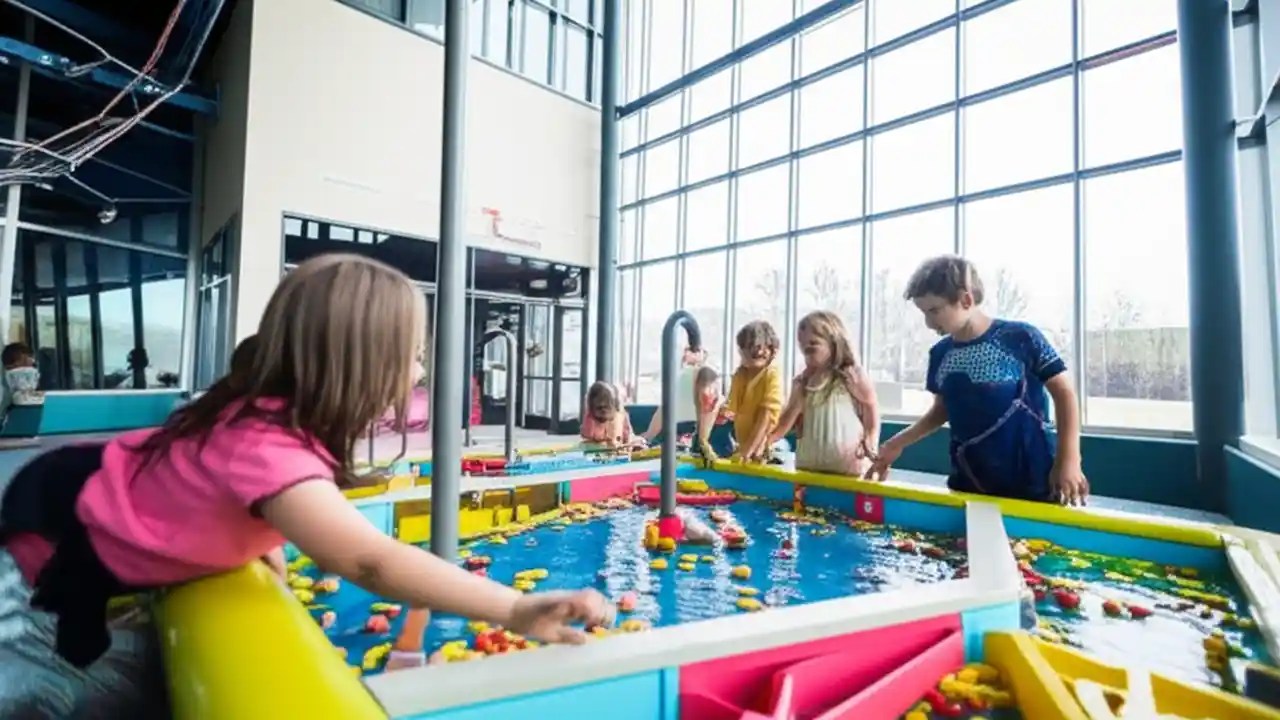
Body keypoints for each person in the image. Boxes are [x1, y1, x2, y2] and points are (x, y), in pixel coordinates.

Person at [0, 254, 615, 717]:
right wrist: (513, 607)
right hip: (36, 576)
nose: (420, 371)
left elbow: (217, 498)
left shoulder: (261, 415)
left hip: (59, 514)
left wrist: (257, 544)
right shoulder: (269, 446)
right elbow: (370, 560)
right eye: (414, 355)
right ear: (358, 361)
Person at [866, 255, 1088, 506]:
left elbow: (1065, 394)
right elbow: (942, 411)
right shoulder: (940, 354)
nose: (928, 322)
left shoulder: (1021, 338)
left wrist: (1069, 460)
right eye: (923, 313)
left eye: (934, 310)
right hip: (970, 481)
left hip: (1031, 481)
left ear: (966, 300)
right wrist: (896, 444)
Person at [768, 311, 879, 477]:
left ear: (834, 342)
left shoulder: (851, 376)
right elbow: (786, 421)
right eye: (803, 345)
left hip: (849, 465)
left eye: (813, 343)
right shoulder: (802, 383)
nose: (807, 348)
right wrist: (765, 443)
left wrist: (870, 440)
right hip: (809, 465)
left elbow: (870, 407)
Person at [722, 321, 784, 463]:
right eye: (747, 347)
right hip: (745, 444)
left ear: (772, 350)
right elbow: (731, 408)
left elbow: (767, 416)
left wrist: (748, 450)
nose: (755, 352)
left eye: (758, 347)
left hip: (767, 446)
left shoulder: (772, 374)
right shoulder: (741, 374)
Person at [580, 381, 643, 449]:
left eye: (607, 407)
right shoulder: (590, 418)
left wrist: (629, 445)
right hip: (598, 448)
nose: (603, 410)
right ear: (592, 408)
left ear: (615, 405)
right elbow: (586, 437)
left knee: (639, 441)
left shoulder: (620, 416)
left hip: (620, 446)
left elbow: (628, 436)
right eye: (599, 408)